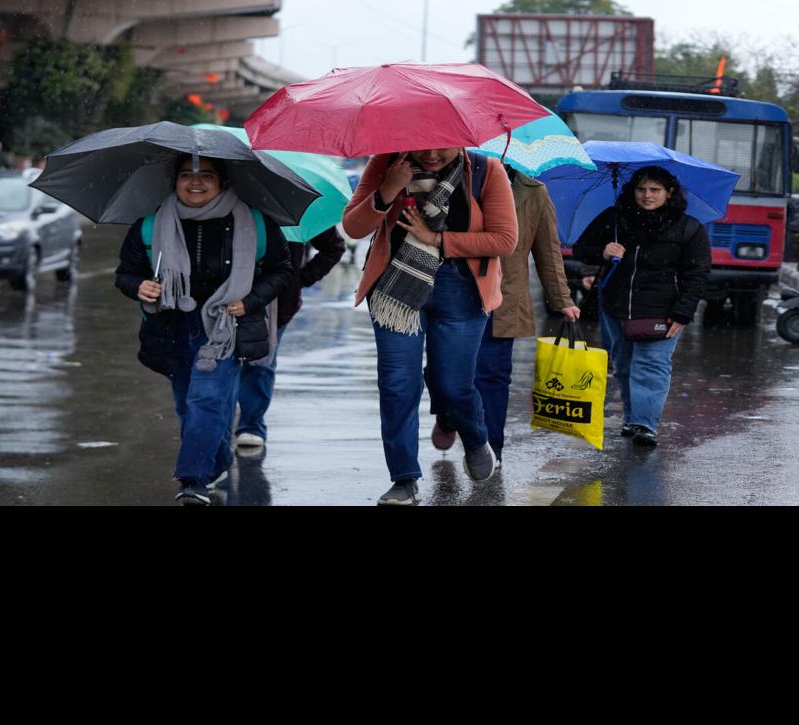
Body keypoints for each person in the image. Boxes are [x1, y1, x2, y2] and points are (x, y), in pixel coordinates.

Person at [342, 146, 518, 506]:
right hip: (395, 289)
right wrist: (388, 189)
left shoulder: (485, 170)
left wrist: (437, 240)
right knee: (397, 385)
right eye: (425, 145)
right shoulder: (387, 162)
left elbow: (504, 239)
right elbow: (353, 227)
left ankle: (474, 436)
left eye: (444, 144)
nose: (434, 154)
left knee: (453, 386)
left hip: (460, 287)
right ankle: (404, 478)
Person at [113, 155, 294, 506]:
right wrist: (139, 286)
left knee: (206, 399)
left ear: (222, 181)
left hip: (226, 325)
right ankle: (218, 459)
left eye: (207, 175)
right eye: (187, 175)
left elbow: (281, 270)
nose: (196, 182)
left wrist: (251, 300)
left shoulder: (254, 222)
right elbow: (126, 272)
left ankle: (193, 481)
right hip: (172, 325)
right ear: (175, 180)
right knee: (186, 403)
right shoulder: (150, 225)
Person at [426, 165, 578, 469]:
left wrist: (562, 299)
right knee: (443, 373)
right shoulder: (447, 178)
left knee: (493, 377)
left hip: (503, 299)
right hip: (455, 291)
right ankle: (447, 414)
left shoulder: (533, 192)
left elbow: (547, 248)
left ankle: (489, 447)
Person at [570, 166, 711, 448]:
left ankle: (646, 425)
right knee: (623, 365)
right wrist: (603, 251)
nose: (647, 196)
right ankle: (632, 418)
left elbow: (697, 274)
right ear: (632, 191)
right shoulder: (614, 219)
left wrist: (683, 312)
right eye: (641, 189)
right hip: (615, 306)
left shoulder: (689, 228)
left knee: (652, 365)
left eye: (654, 190)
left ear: (669, 193)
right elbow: (581, 249)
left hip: (662, 310)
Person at [233, 226, 346, 450]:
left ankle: (251, 425)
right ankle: (219, 424)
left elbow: (333, 246)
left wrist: (298, 280)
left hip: (277, 302)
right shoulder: (229, 201)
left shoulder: (293, 205)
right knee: (219, 362)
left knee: (260, 363)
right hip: (223, 298)